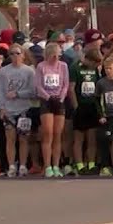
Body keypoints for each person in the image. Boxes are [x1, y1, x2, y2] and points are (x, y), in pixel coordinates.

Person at [0, 44, 36, 176]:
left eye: (17, 53)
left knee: (24, 138)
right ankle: (12, 165)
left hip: (24, 108)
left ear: (23, 55)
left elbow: (33, 91)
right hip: (9, 110)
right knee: (10, 138)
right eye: (12, 54)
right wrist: (2, 107)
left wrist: (18, 93)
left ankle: (23, 165)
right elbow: (0, 90)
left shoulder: (29, 71)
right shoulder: (4, 71)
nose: (15, 56)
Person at [33, 43, 70, 177]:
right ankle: (47, 166)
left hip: (59, 100)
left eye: (57, 55)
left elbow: (65, 84)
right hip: (46, 101)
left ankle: (56, 165)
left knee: (58, 134)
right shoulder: (41, 66)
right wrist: (48, 97)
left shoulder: (63, 66)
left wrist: (61, 97)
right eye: (53, 55)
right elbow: (38, 85)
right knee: (48, 133)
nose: (55, 58)